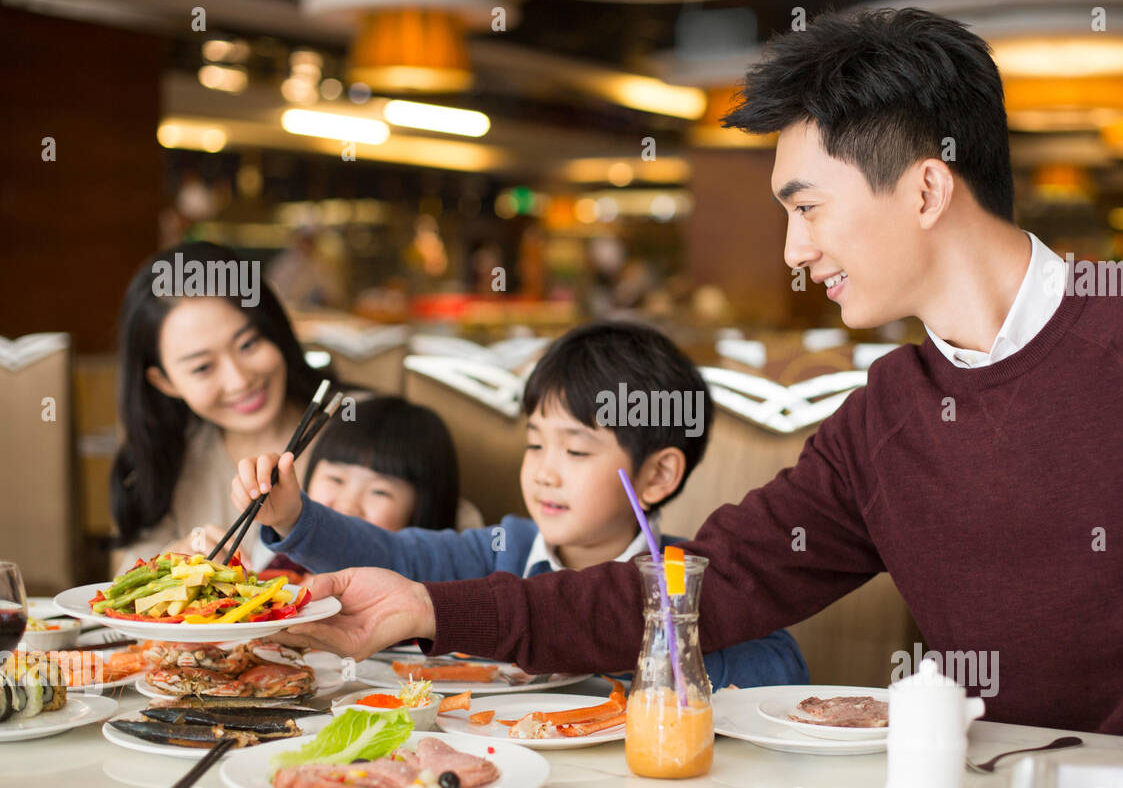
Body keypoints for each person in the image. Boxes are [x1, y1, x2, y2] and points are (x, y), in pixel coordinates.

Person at [270, 8, 1123, 774]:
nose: (794, 250)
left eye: (806, 207)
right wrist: (424, 605)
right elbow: (690, 590)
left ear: (928, 187)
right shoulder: (885, 417)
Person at [234, 322, 809, 690]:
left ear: (657, 474)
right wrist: (294, 518)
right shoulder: (498, 549)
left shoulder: (684, 579)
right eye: (536, 443)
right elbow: (392, 554)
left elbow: (783, 667)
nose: (545, 470)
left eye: (576, 449)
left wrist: (633, 651)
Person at [110, 240, 331, 574]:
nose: (239, 380)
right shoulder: (166, 455)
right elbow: (124, 579)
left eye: (248, 344)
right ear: (165, 381)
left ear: (275, 330)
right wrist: (170, 560)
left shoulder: (360, 427)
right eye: (202, 367)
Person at [258, 396, 478, 580]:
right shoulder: (286, 563)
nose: (348, 505)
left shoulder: (430, 589)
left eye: (380, 492)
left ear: (423, 509)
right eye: (336, 479)